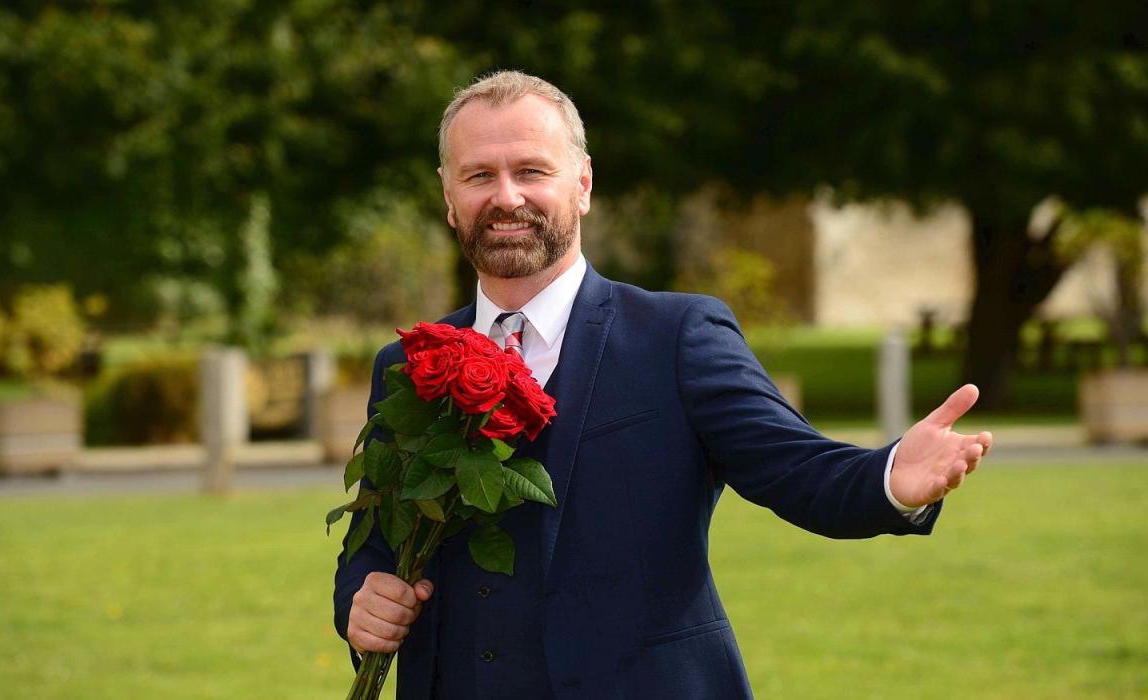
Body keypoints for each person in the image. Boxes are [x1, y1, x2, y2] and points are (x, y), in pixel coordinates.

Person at [334, 70, 993, 699]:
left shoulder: (678, 336)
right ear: (449, 198)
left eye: (532, 171)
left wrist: (888, 480)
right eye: (480, 175)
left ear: (584, 185)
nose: (506, 196)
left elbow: (794, 469)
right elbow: (372, 547)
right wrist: (361, 600)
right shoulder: (405, 366)